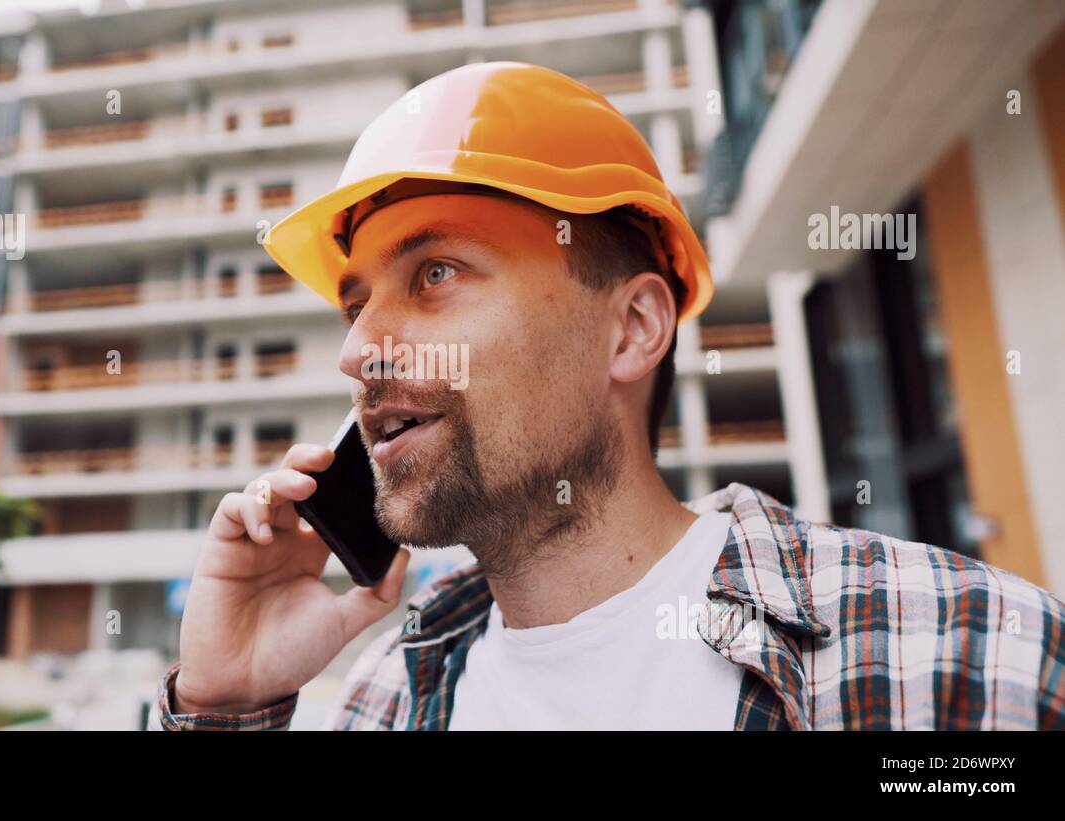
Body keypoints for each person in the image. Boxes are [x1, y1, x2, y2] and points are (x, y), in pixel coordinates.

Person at [154, 62, 1065, 730]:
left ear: (631, 330)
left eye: (434, 273)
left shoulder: (965, 657)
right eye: (356, 306)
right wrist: (221, 704)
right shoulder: (383, 702)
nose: (358, 351)